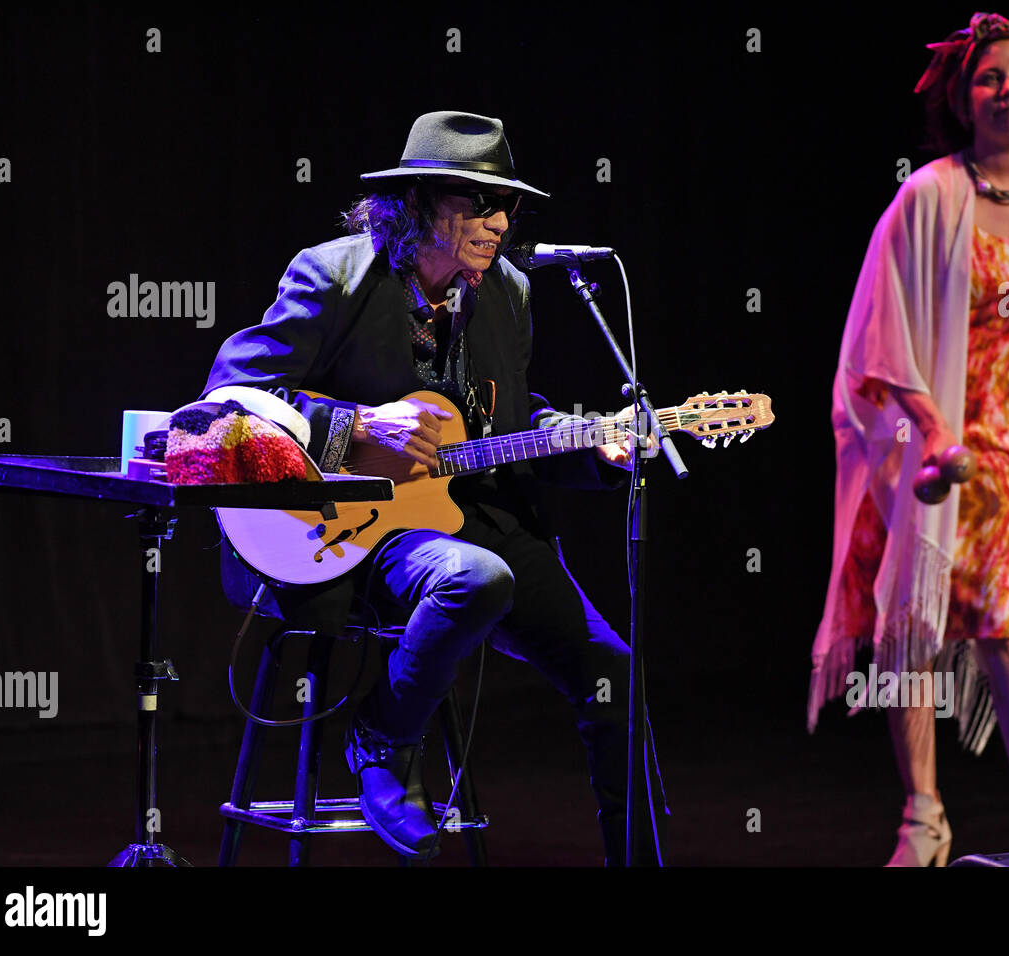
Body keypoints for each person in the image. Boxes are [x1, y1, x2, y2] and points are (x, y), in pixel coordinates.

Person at [202, 110, 669, 865]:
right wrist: (352, 430)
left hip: (477, 515)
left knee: (614, 674)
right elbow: (231, 398)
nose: (499, 221)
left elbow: (511, 425)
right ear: (415, 204)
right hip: (353, 531)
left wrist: (597, 447)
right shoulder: (333, 274)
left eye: (507, 205)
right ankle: (382, 740)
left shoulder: (508, 291)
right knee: (474, 579)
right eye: (477, 203)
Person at [806, 13, 1009, 865]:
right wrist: (936, 433)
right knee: (911, 621)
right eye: (989, 77)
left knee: (1003, 626)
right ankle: (924, 815)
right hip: (923, 445)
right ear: (963, 97)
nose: (1008, 87)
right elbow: (879, 330)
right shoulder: (932, 196)